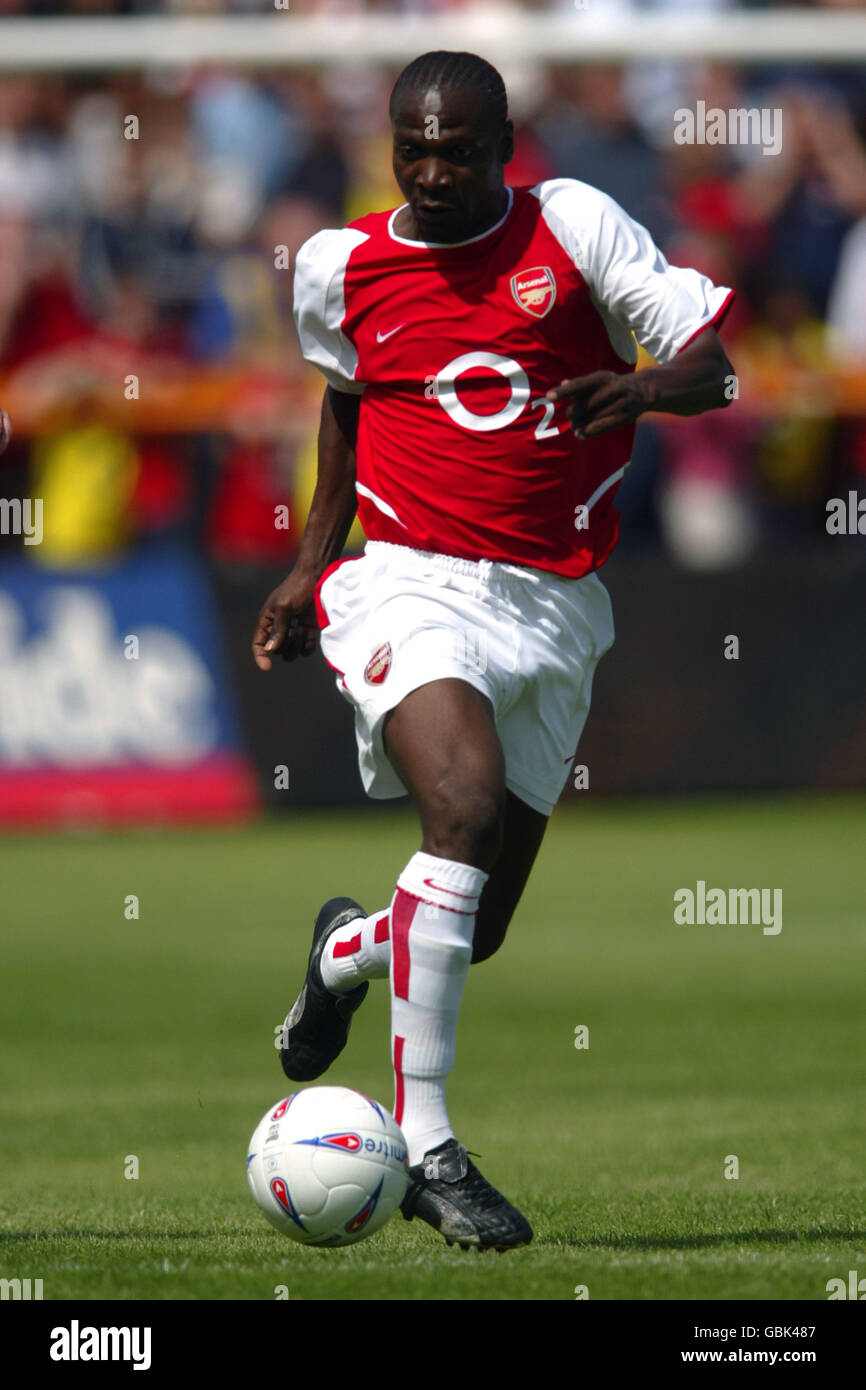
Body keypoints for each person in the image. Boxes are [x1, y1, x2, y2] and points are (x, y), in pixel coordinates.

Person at [252, 50, 735, 1251]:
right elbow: (346, 399)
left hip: (551, 604)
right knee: (457, 814)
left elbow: (712, 368)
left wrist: (639, 393)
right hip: (407, 579)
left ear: (503, 143)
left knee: (474, 920)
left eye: (454, 151)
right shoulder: (337, 264)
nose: (429, 172)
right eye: (410, 149)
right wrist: (314, 561)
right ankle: (428, 1150)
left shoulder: (572, 226)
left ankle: (343, 950)